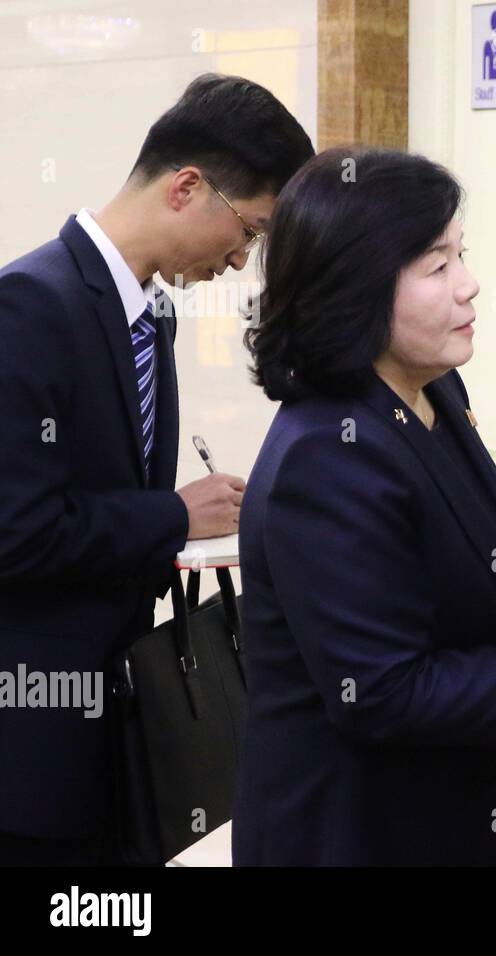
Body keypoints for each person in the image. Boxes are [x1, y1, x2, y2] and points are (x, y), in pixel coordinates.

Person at [232, 148, 496, 866]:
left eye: (461, 255)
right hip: (356, 833)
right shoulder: (326, 456)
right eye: (437, 267)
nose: (470, 286)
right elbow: (379, 692)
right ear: (355, 289)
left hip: (450, 815)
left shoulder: (433, 395)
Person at [0, 73, 313, 866]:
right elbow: (15, 531)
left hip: (122, 713)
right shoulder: (30, 307)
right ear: (186, 188)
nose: (242, 260)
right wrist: (175, 516)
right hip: (33, 736)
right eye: (250, 231)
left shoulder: (154, 311)